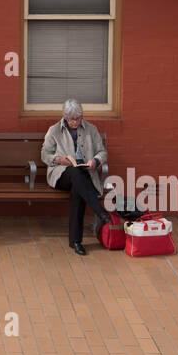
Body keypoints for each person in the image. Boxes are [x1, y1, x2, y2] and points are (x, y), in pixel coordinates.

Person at [41, 99, 114, 255]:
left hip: (85, 172)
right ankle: (100, 212)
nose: (75, 122)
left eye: (78, 118)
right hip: (62, 174)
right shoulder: (54, 130)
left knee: (78, 190)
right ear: (65, 118)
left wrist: (95, 161)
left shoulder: (91, 129)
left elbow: (102, 152)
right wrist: (59, 159)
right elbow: (44, 154)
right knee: (75, 173)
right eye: (72, 119)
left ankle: (75, 242)